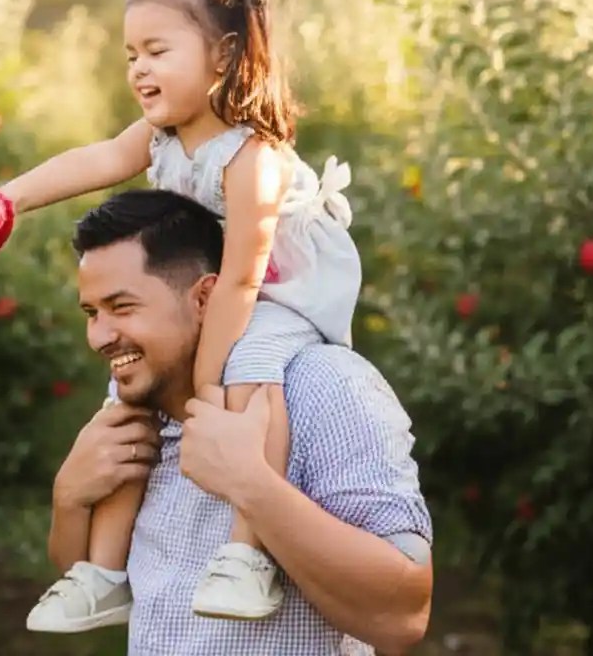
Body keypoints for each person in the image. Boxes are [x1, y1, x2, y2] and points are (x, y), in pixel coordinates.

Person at [0, 0, 363, 628]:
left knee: (252, 374)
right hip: (207, 287)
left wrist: (205, 375)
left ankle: (247, 556)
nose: (139, 69)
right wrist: (8, 198)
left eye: (158, 52)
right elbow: (96, 159)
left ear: (223, 55)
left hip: (281, 291)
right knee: (129, 393)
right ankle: (104, 572)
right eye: (131, 55)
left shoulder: (254, 157)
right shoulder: (160, 137)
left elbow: (247, 274)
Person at [37, 188, 434, 654]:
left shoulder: (323, 385)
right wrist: (69, 498)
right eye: (91, 313)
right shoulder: (137, 417)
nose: (100, 337)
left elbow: (404, 615)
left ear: (205, 297)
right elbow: (92, 585)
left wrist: (251, 485)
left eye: (122, 307)